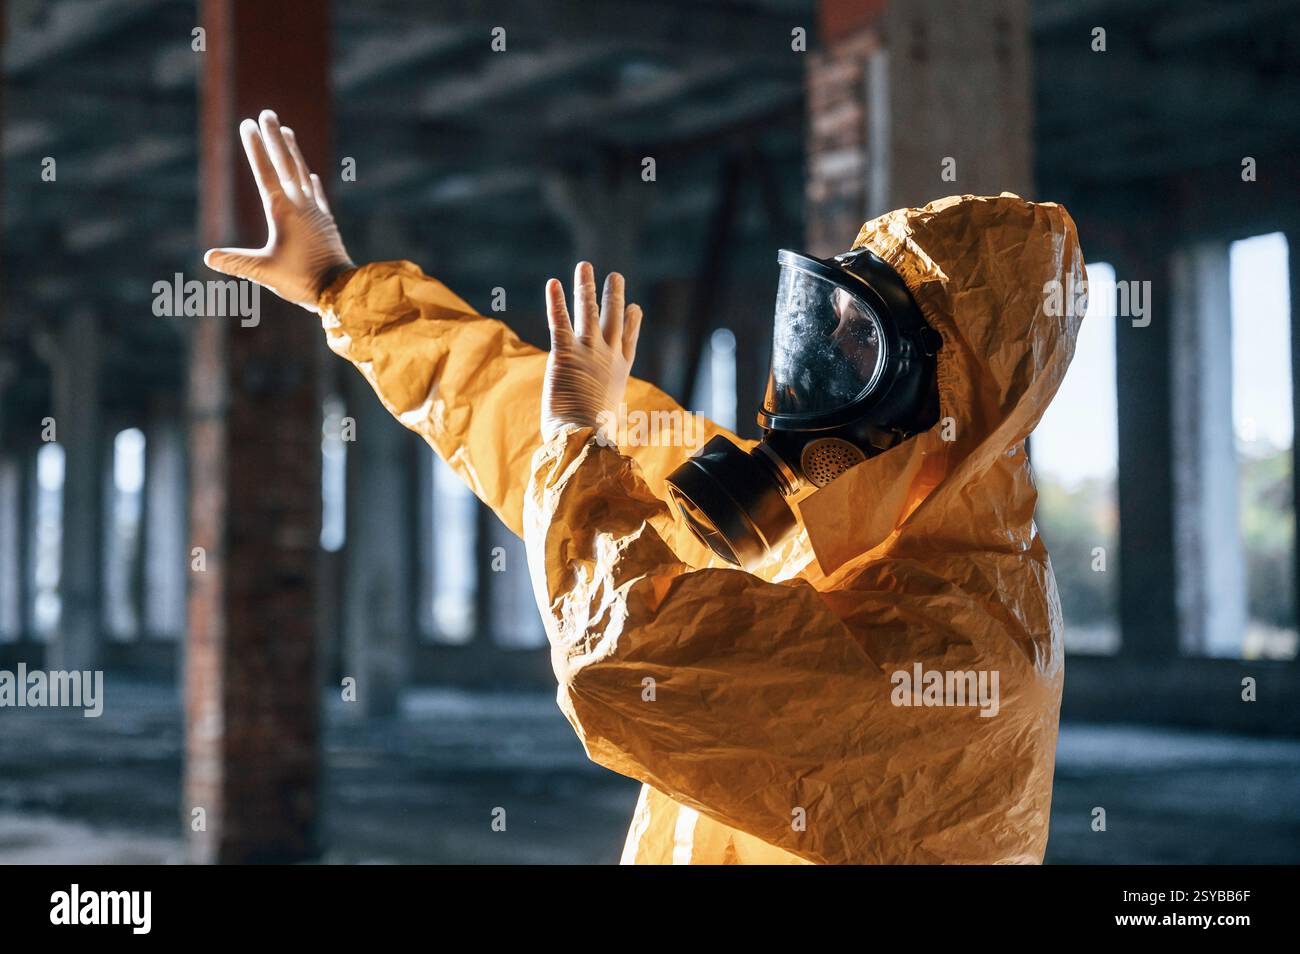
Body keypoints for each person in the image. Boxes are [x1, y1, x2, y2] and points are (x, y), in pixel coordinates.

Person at [207, 110, 1085, 864]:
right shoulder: (831, 527)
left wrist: (576, 441)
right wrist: (343, 291)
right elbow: (523, 423)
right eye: (828, 328)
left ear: (950, 397)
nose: (824, 369)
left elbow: (626, 659)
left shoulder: (966, 653)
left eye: (863, 348)